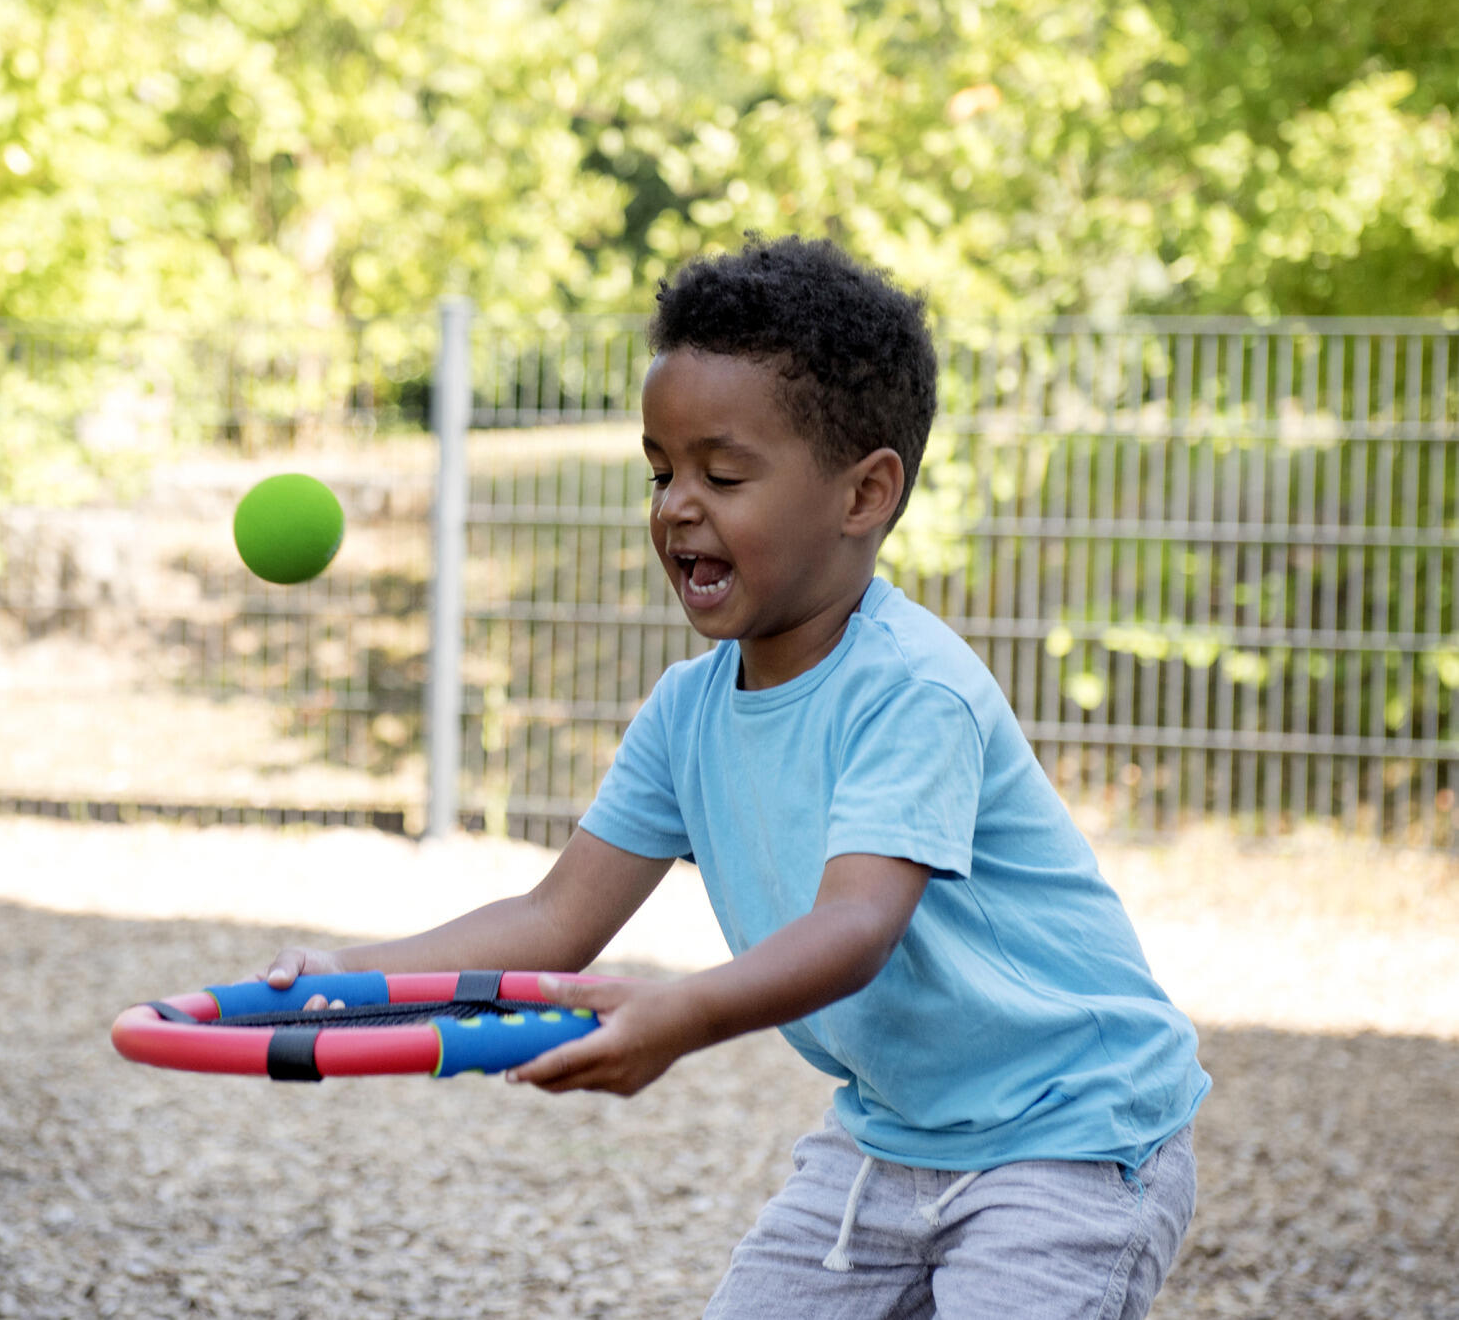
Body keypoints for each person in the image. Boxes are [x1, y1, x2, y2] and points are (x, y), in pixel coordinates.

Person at [262, 234, 1209, 1318]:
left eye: (722, 474)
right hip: (893, 1134)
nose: (675, 505)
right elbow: (554, 917)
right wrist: (358, 979)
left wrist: (683, 1014)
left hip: (1072, 1135)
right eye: (661, 471)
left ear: (864, 496)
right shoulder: (688, 711)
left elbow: (855, 928)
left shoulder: (912, 690)